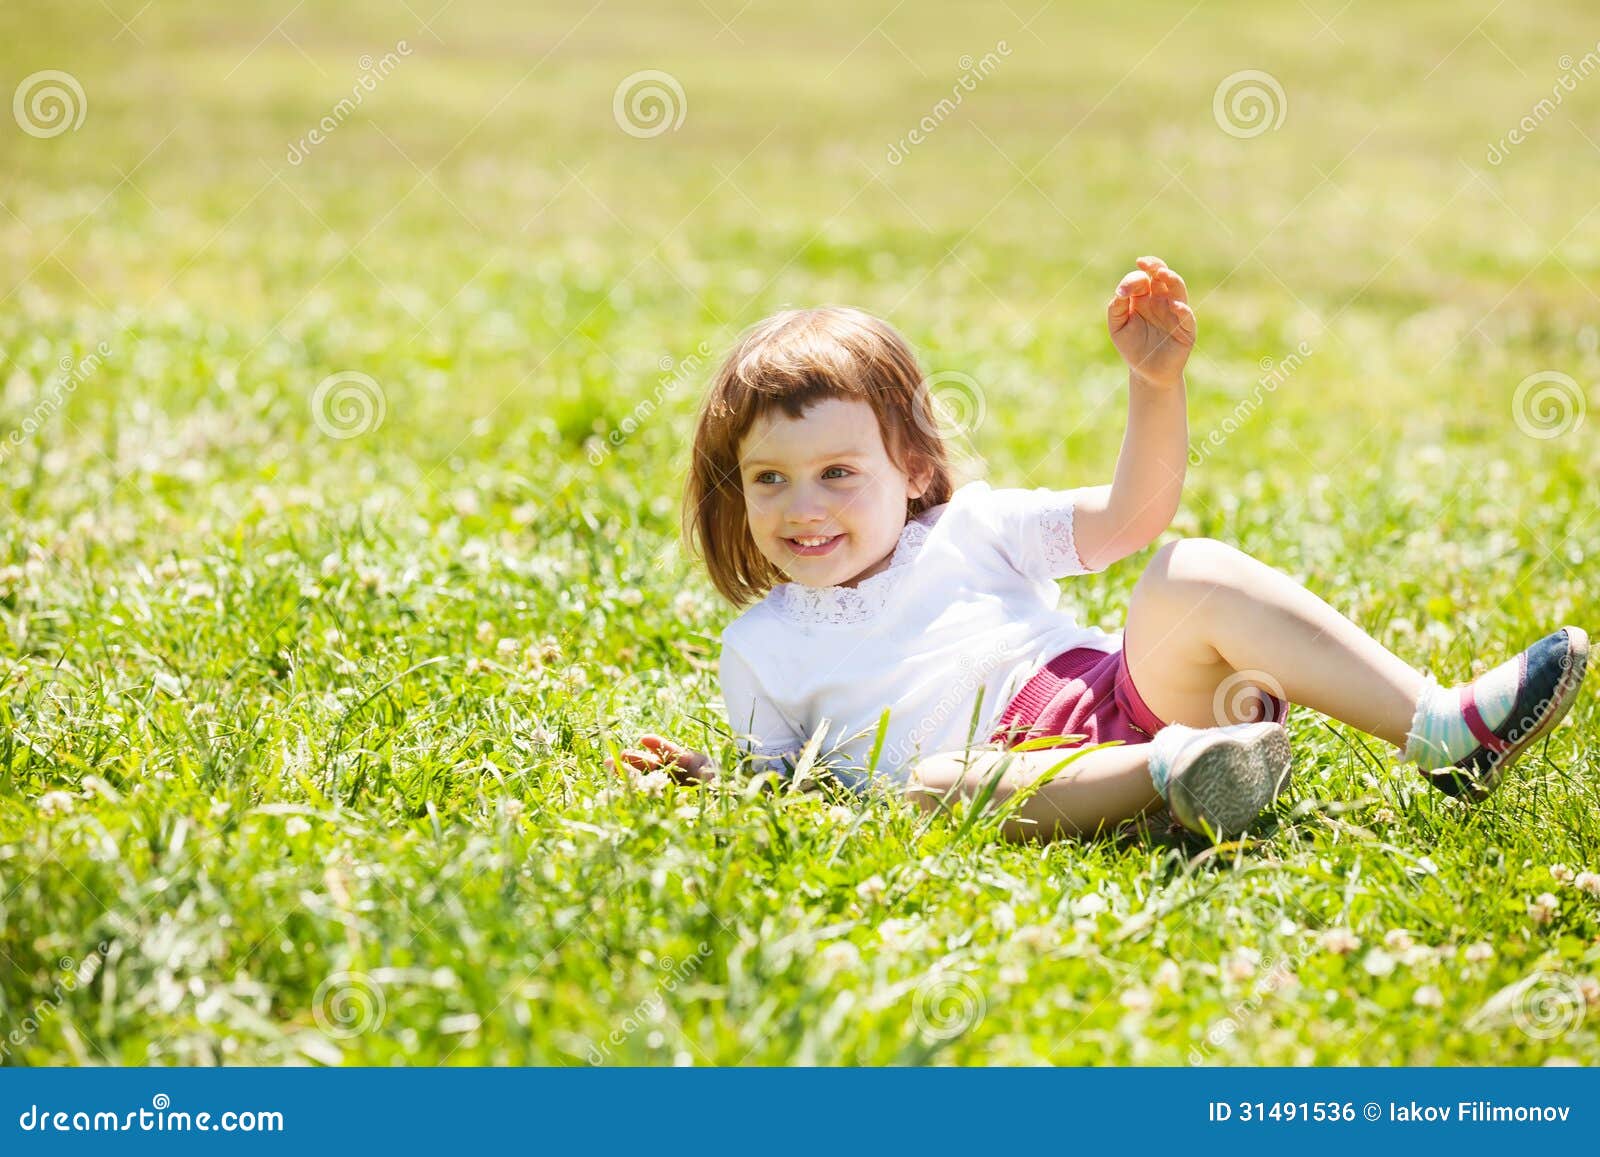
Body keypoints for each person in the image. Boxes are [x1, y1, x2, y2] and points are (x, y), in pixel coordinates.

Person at [608, 257, 1589, 843]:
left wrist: (1154, 386)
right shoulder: (760, 648)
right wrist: (708, 776)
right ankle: (1191, 773)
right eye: (768, 478)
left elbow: (1132, 516)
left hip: (1119, 693)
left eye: (837, 472)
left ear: (910, 466)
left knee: (1187, 571)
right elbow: (790, 783)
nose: (802, 506)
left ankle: (1439, 727)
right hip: (1013, 775)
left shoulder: (970, 529)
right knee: (928, 787)